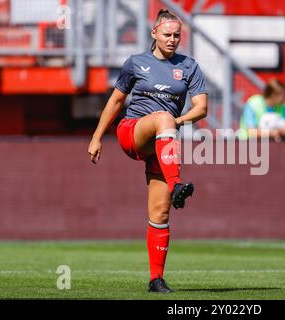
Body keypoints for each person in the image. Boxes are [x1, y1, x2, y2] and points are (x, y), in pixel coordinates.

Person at [87, 9, 208, 293]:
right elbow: (116, 101)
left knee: (160, 213)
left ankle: (156, 279)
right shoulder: (135, 63)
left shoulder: (189, 66)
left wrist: (178, 121)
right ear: (154, 33)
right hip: (133, 132)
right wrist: (96, 137)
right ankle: (177, 184)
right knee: (163, 119)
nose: (173, 39)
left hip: (162, 144)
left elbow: (201, 107)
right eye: (167, 34)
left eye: (177, 35)